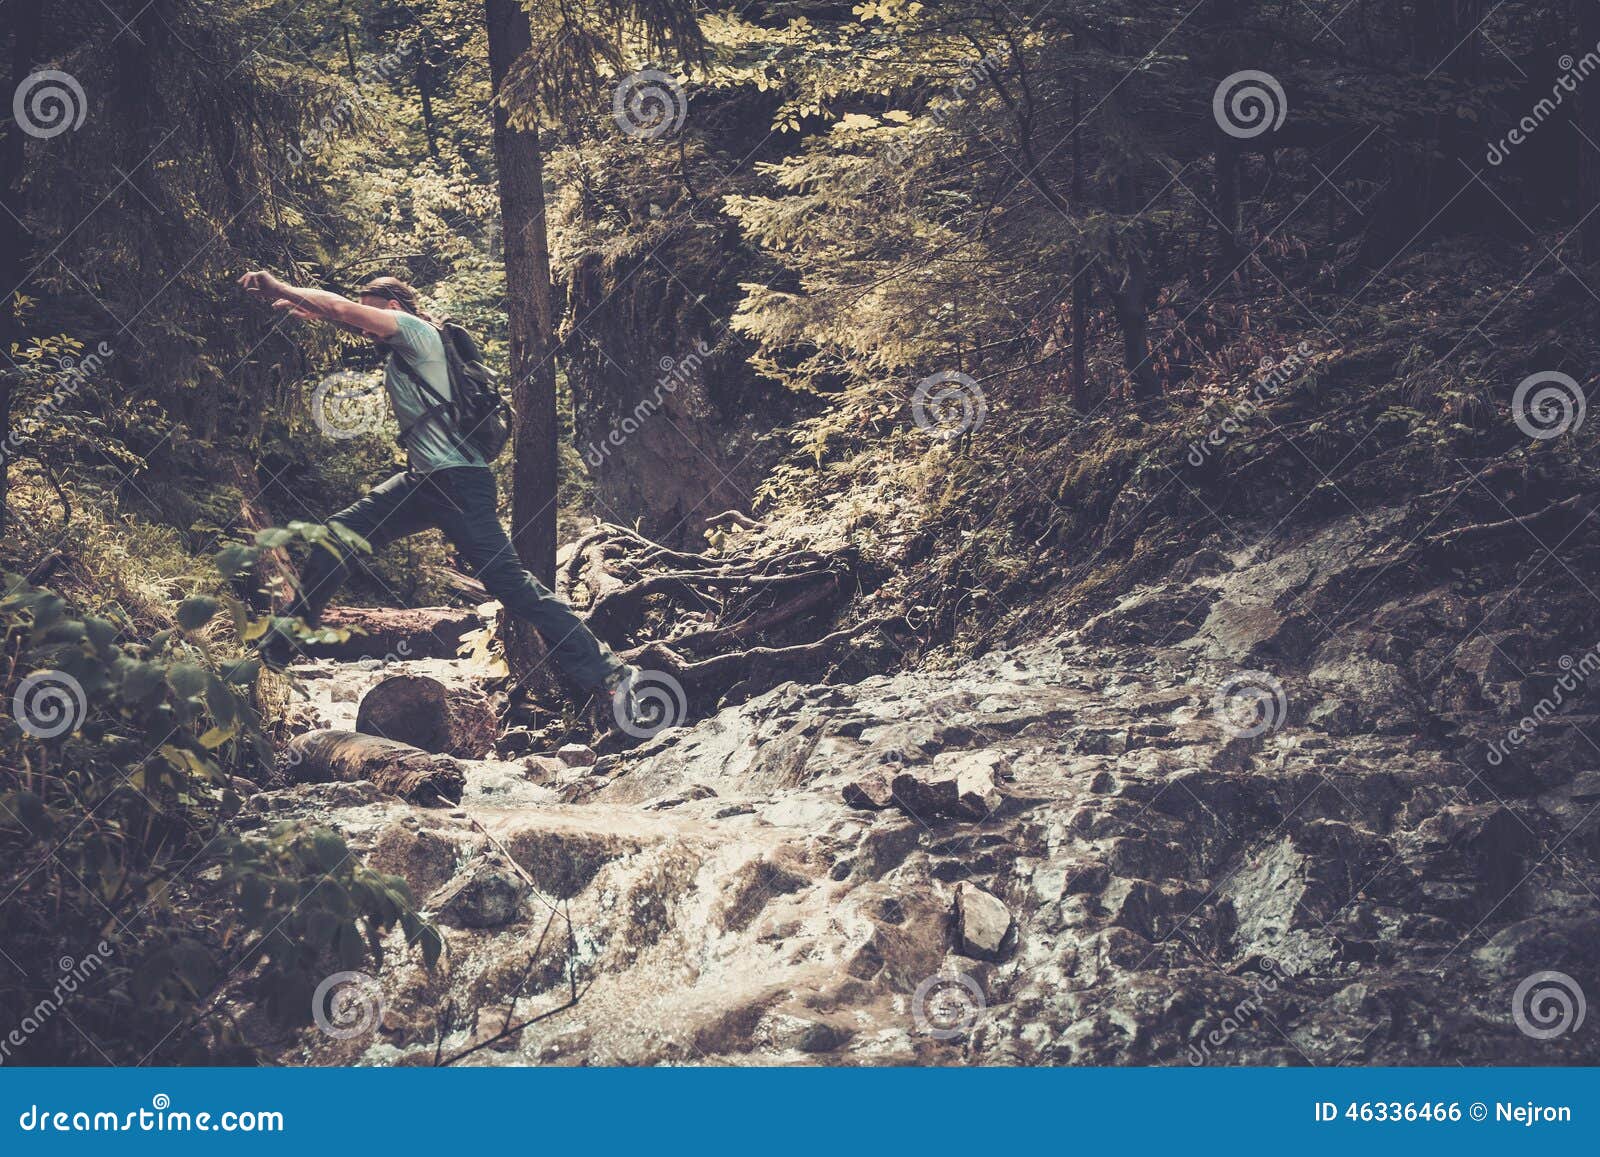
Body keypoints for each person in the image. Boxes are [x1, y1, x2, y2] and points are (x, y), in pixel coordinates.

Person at [238, 269, 641, 724]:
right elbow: (344, 316)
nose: (364, 324)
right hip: (424, 483)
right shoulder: (407, 343)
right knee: (339, 534)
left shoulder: (415, 331)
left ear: (393, 307)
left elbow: (343, 310)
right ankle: (280, 648)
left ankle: (609, 671)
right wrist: (307, 308)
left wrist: (281, 288)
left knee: (512, 586)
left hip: (459, 484)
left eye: (371, 311)